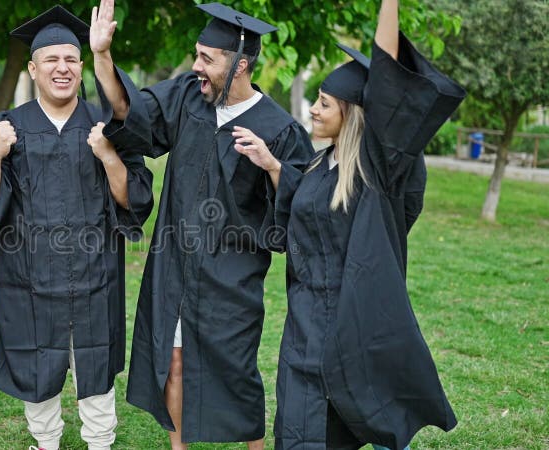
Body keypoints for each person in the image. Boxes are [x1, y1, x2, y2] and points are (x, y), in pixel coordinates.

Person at [232, 0, 466, 448]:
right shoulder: (324, 165)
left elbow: (388, 76)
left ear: (354, 115)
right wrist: (274, 165)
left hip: (357, 328)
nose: (313, 111)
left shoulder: (379, 174)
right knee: (300, 431)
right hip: (305, 328)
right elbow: (307, 205)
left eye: (324, 104)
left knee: (364, 416)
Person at [90, 1, 313, 448]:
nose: (196, 66)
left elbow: (303, 204)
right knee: (172, 361)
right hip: (174, 262)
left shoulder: (279, 128)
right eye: (197, 54)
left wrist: (271, 165)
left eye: (207, 58)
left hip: (232, 275)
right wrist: (102, 57)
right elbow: (130, 111)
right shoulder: (187, 97)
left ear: (241, 65)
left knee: (236, 368)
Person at [0, 6, 153, 450]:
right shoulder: (8, 126)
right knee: (35, 361)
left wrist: (107, 155)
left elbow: (135, 200)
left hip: (94, 272)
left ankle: (100, 442)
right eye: (51, 60)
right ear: (33, 68)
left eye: (70, 59)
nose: (61, 68)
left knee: (95, 361)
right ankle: (45, 442)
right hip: (28, 276)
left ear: (81, 66)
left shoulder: (108, 125)